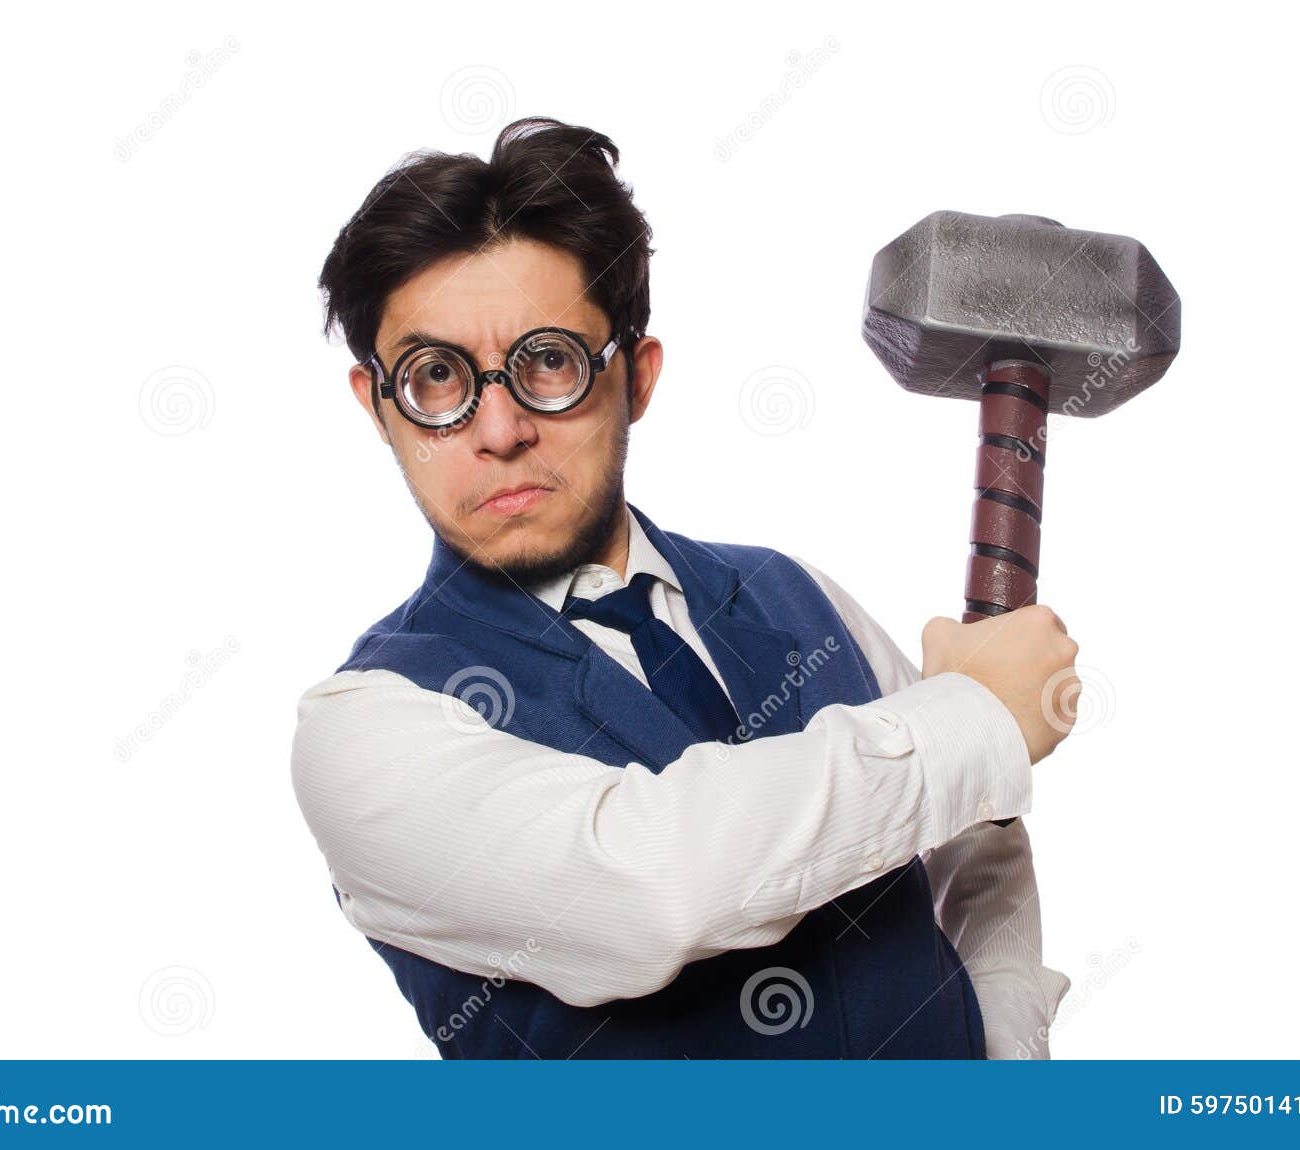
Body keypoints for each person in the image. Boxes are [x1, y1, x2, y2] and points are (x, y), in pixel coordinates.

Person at [291, 117, 1075, 1059]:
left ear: (639, 376)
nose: (496, 429)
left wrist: (1005, 1035)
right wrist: (972, 715)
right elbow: (646, 887)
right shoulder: (365, 730)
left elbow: (973, 836)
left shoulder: (796, 593)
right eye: (434, 377)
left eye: (547, 361)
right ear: (378, 408)